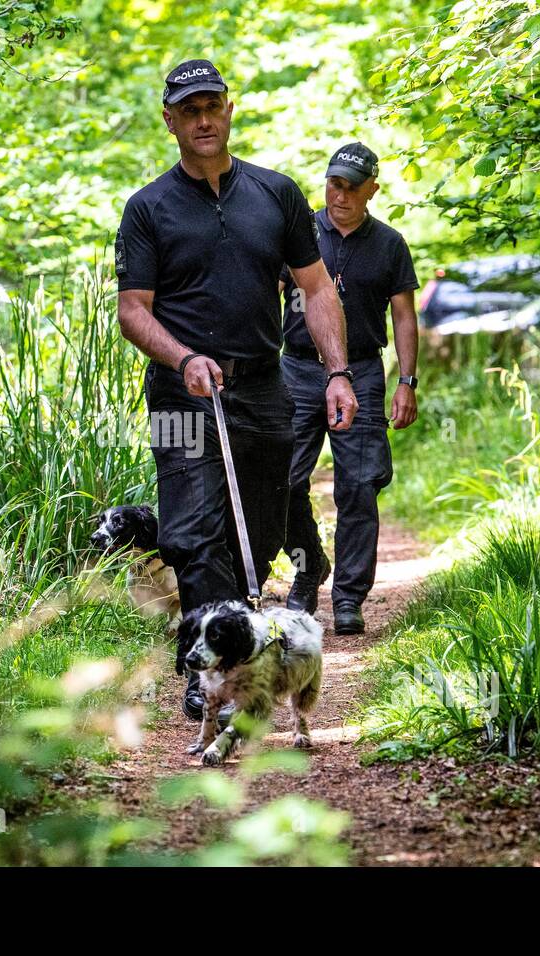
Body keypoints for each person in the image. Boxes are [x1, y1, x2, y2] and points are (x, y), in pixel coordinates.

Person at [115, 60, 358, 719]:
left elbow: (316, 289)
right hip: (179, 394)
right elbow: (133, 310)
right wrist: (183, 355)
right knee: (194, 532)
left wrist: (337, 371)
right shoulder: (147, 209)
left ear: (228, 109)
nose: (203, 119)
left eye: (211, 106)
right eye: (188, 110)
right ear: (169, 120)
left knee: (264, 523)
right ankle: (211, 674)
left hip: (261, 388)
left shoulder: (277, 195)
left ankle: (226, 641)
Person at [280, 142, 420, 635]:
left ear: (372, 191)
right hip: (296, 371)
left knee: (358, 486)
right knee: (283, 480)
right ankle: (307, 567)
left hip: (361, 369)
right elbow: (263, 296)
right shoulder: (297, 232)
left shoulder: (389, 244)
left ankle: (348, 598)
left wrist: (406, 381)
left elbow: (404, 316)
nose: (340, 196)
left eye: (351, 187)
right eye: (333, 184)